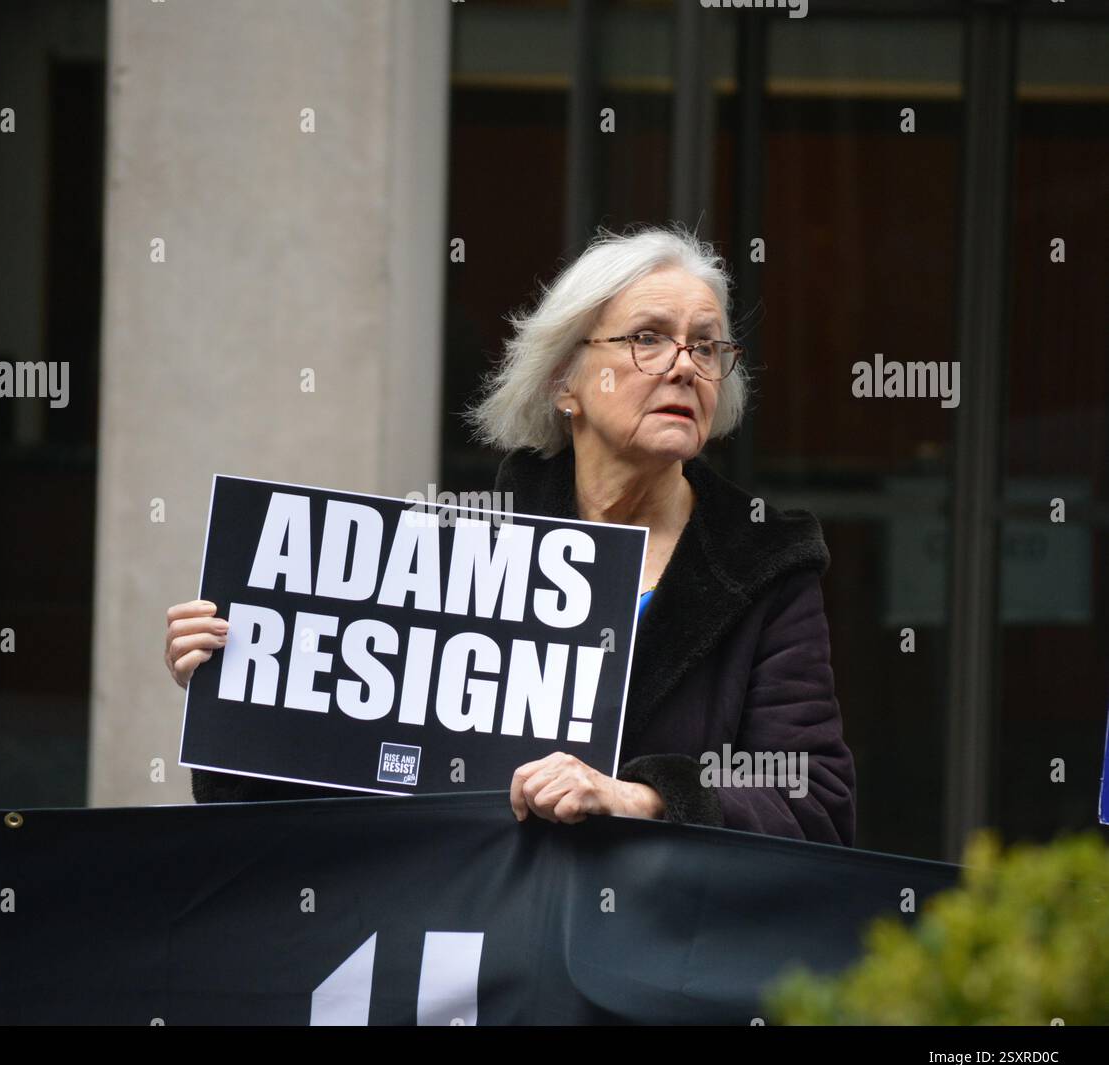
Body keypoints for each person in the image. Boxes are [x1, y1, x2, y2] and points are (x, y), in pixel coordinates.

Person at [165, 224, 856, 845]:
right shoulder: (468, 543)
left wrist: (639, 797)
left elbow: (813, 802)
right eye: (648, 337)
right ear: (566, 383)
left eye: (705, 345)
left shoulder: (766, 563)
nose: (684, 365)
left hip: (661, 958)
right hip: (482, 950)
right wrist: (238, 685)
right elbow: (346, 782)